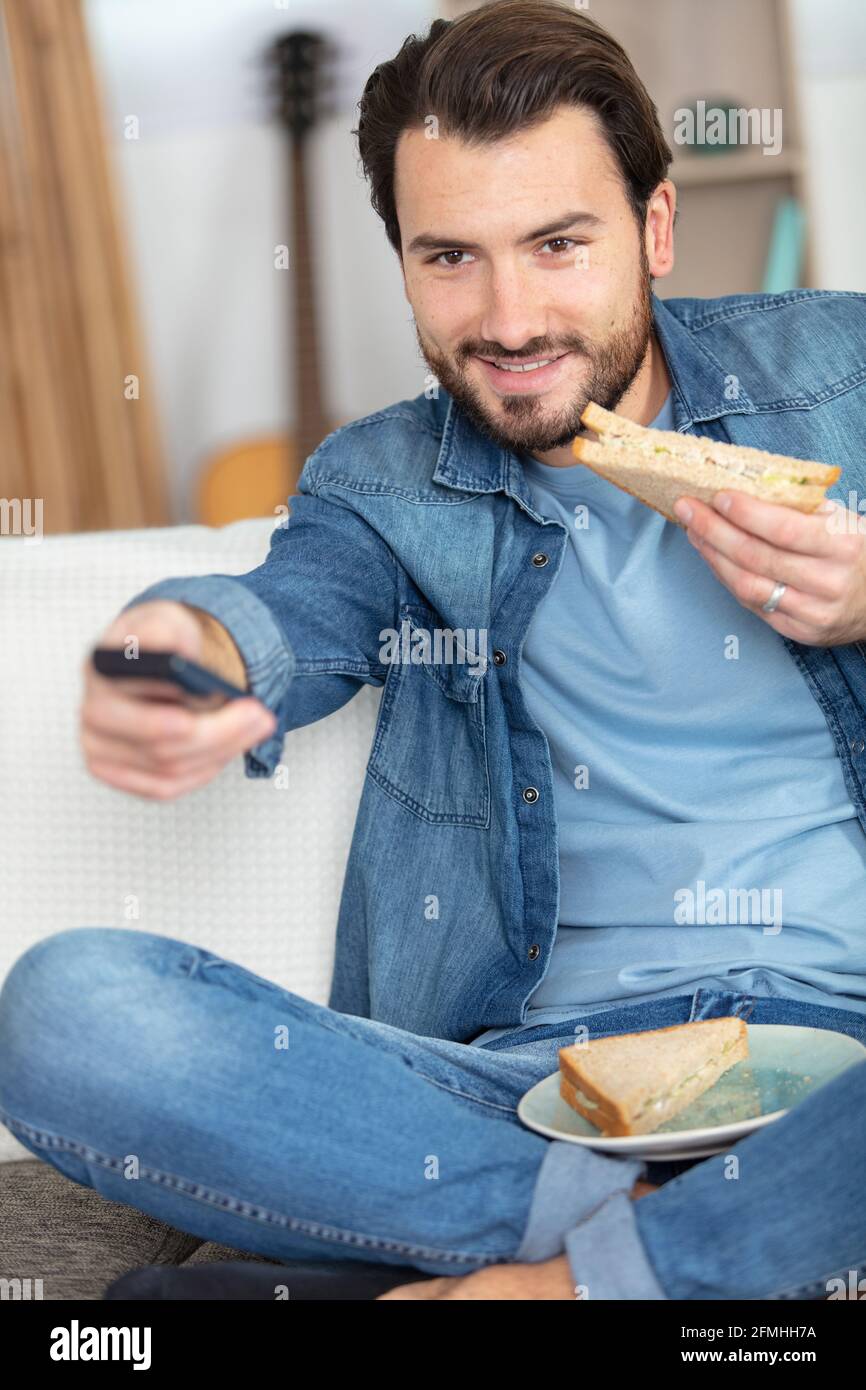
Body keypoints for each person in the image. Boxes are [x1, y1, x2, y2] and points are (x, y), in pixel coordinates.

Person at [2, 0, 866, 1301]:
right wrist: (181, 648)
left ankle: (544, 1285)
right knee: (72, 1009)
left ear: (655, 227)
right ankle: (673, 1247)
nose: (509, 320)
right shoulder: (383, 483)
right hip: (529, 1094)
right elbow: (283, 613)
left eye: (558, 245)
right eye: (451, 257)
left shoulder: (840, 371)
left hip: (842, 1067)